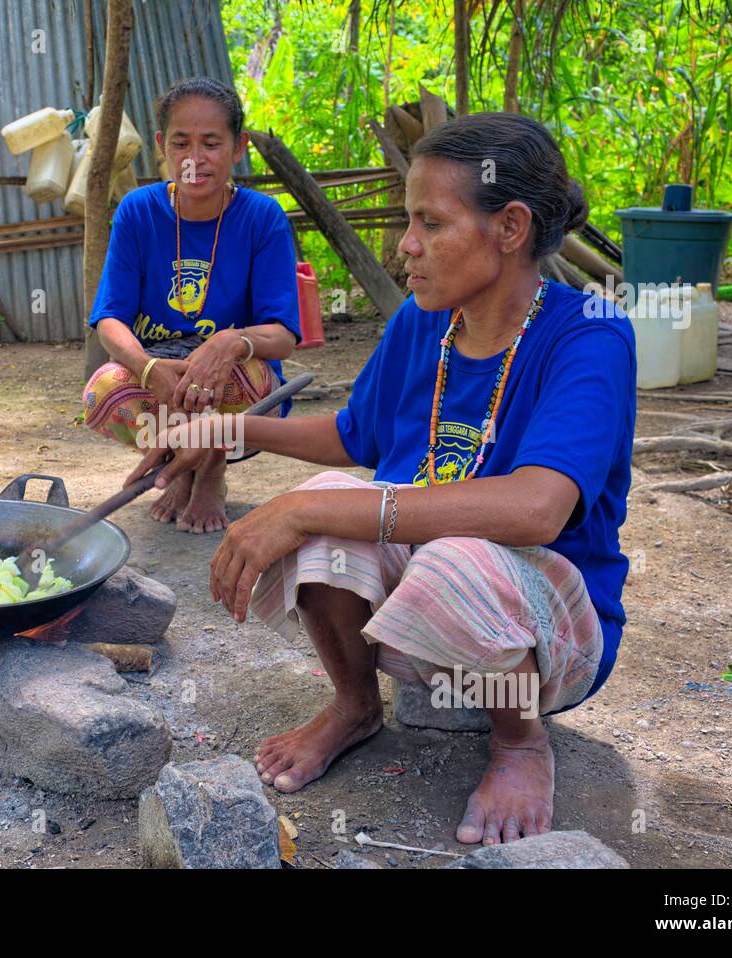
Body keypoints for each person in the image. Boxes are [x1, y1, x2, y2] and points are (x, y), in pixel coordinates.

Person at [129, 112, 637, 845]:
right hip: (430, 608)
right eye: (408, 221)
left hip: (548, 626)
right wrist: (226, 430)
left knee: (426, 546)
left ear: (511, 226)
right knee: (327, 502)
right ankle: (357, 704)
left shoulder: (589, 332)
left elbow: (536, 509)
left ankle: (520, 744)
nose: (406, 246)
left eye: (430, 223)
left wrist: (304, 515)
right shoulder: (421, 324)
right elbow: (353, 435)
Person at [83, 77, 301, 534]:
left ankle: (211, 469)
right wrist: (148, 368)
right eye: (181, 142)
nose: (194, 159)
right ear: (161, 145)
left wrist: (228, 343)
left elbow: (281, 335)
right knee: (105, 389)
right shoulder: (138, 211)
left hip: (235, 382)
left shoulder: (262, 218)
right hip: (160, 379)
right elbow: (109, 320)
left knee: (240, 379)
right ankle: (181, 465)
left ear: (238, 147)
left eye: (211, 143)